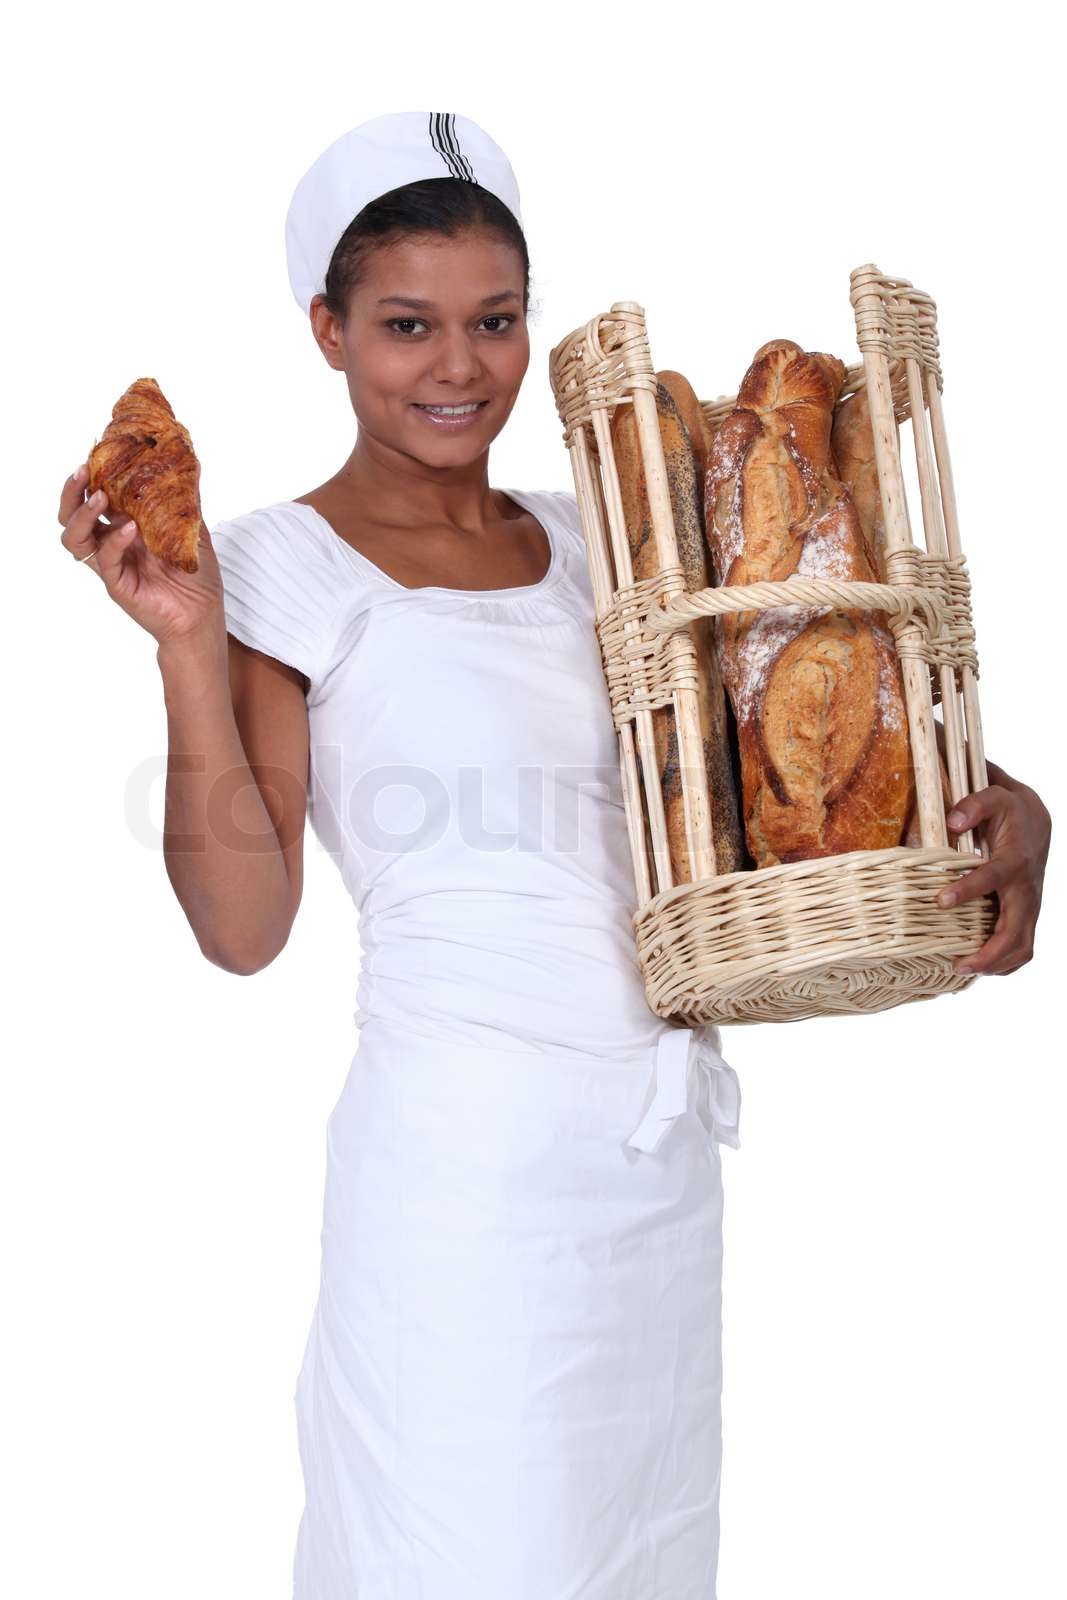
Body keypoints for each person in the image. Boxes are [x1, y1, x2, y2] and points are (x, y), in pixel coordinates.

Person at [58, 111, 1052, 1598]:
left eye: (494, 322)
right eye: (406, 326)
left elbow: (775, 761)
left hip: (651, 1187)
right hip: (459, 1192)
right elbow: (245, 923)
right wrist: (188, 647)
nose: (457, 368)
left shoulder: (613, 538)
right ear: (327, 332)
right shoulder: (274, 564)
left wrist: (1001, 806)